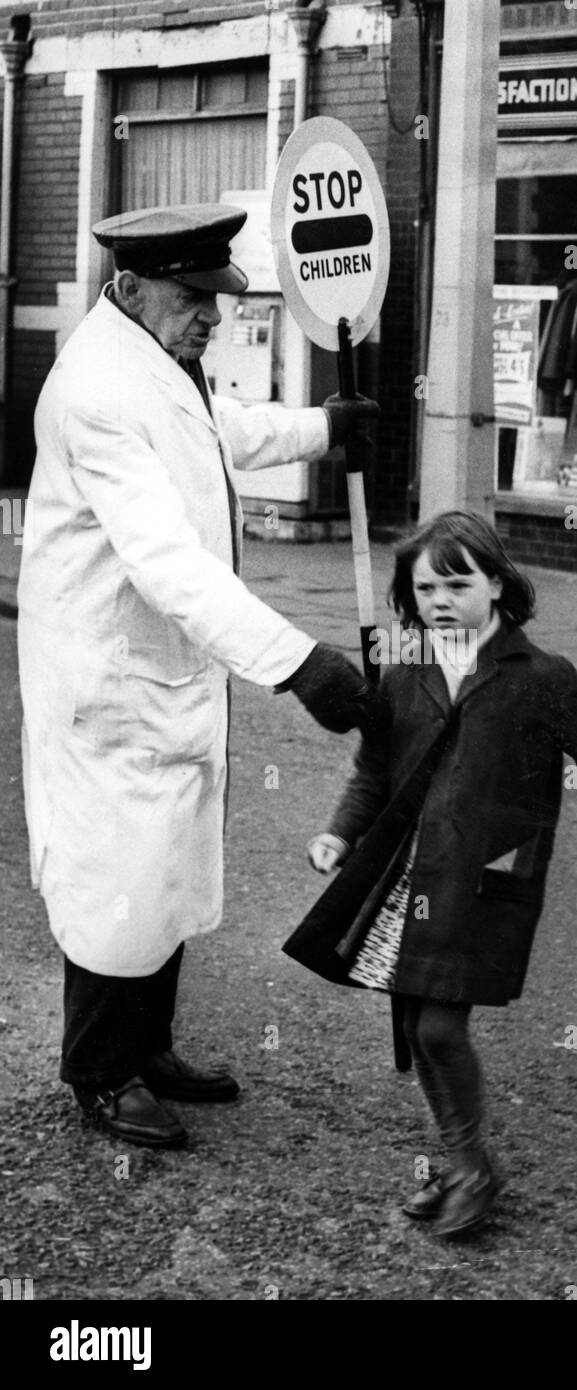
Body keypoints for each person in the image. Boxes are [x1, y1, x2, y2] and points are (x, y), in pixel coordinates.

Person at [17, 203, 385, 1150]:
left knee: (168, 865)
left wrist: (320, 425)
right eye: (194, 298)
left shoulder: (153, 361)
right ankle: (99, 1072)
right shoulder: (95, 388)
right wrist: (298, 663)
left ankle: (148, 1047)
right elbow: (167, 564)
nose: (212, 317)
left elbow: (218, 432)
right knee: (120, 880)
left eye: (217, 299)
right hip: (109, 679)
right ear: (133, 289)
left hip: (163, 671)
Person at [285, 510, 577, 1238]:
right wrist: (338, 832)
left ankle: (473, 1166)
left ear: (498, 585)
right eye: (424, 588)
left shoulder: (539, 678)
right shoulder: (405, 670)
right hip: (409, 878)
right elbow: (373, 772)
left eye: (457, 582)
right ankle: (460, 1159)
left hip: (485, 878)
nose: (440, 600)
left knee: (440, 1025)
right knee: (418, 1024)